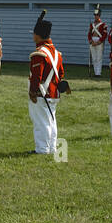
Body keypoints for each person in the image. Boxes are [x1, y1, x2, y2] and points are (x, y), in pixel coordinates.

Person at [28, 10, 65, 155]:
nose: (33, 36)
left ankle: (42, 149)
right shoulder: (56, 53)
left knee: (41, 123)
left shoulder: (39, 54)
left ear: (38, 35)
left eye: (34, 34)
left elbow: (36, 76)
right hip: (53, 92)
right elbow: (60, 73)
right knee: (51, 121)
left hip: (42, 93)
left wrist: (33, 91)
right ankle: (52, 148)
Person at [87, 6, 108, 77]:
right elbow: (89, 34)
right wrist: (90, 41)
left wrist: (99, 42)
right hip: (93, 40)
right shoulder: (92, 24)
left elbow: (105, 34)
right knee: (94, 57)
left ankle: (98, 73)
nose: (96, 17)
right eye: (95, 15)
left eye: (97, 15)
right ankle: (95, 71)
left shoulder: (103, 25)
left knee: (99, 57)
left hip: (99, 41)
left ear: (99, 16)